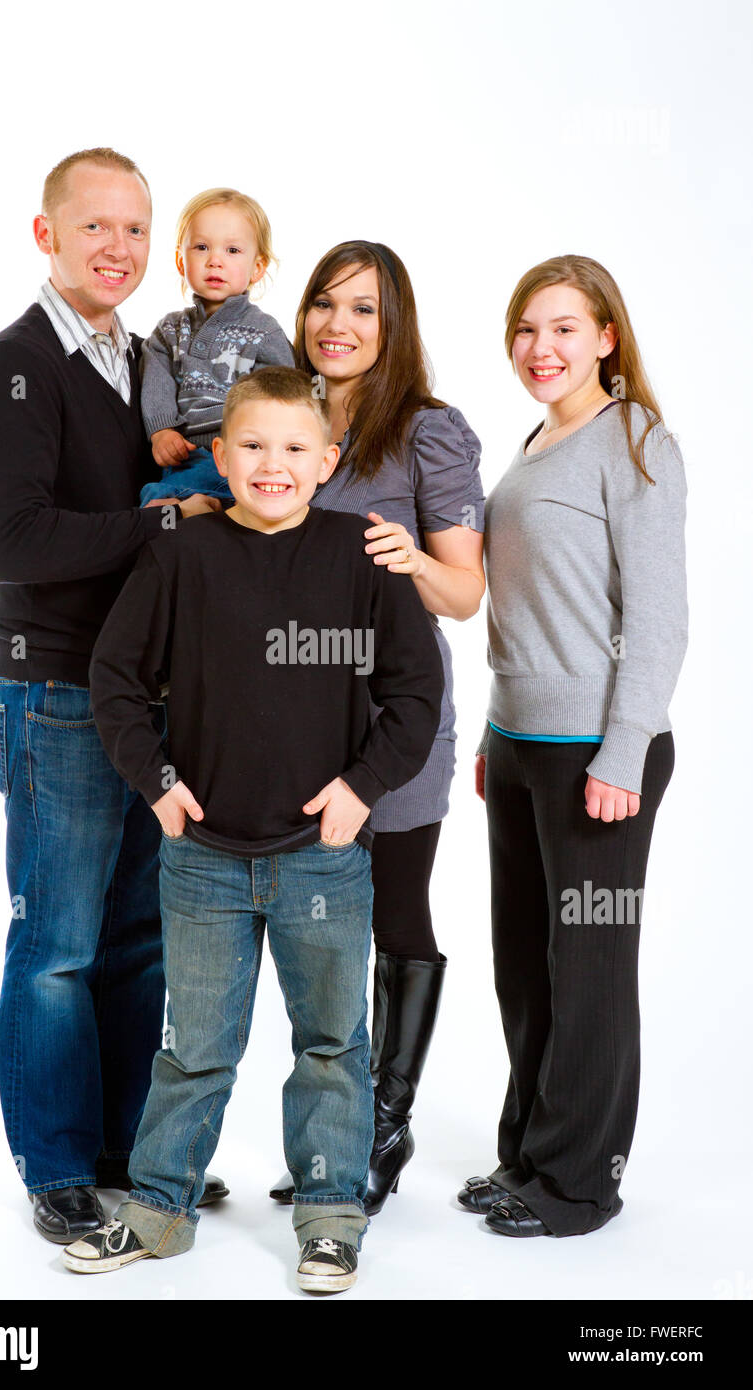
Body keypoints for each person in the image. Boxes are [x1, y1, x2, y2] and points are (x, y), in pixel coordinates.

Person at [64, 367, 444, 1293]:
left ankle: (328, 1217)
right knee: (193, 1047)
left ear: (327, 461)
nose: (272, 464)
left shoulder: (365, 554)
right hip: (202, 858)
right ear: (222, 455)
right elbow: (113, 680)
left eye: (292, 448)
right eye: (253, 446)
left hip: (321, 855)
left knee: (330, 1045)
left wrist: (363, 786)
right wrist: (156, 784)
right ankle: (157, 1210)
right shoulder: (180, 557)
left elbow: (414, 693)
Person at [0, 147, 226, 1247]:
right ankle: (59, 1169)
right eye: (93, 228)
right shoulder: (14, 367)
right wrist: (165, 522)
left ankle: (125, 1152)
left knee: (137, 942)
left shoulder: (140, 363)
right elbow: (13, 539)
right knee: (58, 944)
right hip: (52, 698)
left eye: (134, 229)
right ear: (47, 236)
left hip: (138, 698)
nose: (116, 249)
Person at [458, 254, 688, 1237]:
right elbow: (522, 606)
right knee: (524, 962)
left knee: (587, 968)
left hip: (594, 748)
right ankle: (527, 1155)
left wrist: (621, 746)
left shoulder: (632, 438)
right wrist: (488, 733)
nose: (538, 348)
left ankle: (577, 1185)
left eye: (561, 328)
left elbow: (660, 614)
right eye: (524, 330)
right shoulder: (533, 441)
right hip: (517, 742)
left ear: (604, 337)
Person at [269, 242, 485, 1213]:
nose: (337, 325)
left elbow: (464, 591)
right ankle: (332, 1130)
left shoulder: (427, 432)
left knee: (394, 915)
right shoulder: (288, 416)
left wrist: (406, 557)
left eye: (361, 308)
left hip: (394, 716)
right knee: (317, 930)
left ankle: (381, 1131)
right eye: (323, 304)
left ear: (391, 324)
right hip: (296, 710)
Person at [138, 187, 294, 506]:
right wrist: (161, 432)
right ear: (182, 261)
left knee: (160, 499)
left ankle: (206, 508)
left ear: (257, 267)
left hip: (243, 457)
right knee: (162, 491)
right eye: (201, 247)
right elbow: (156, 386)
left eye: (233, 250)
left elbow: (282, 396)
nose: (215, 261)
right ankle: (202, 510)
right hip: (188, 455)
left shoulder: (263, 331)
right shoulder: (169, 331)